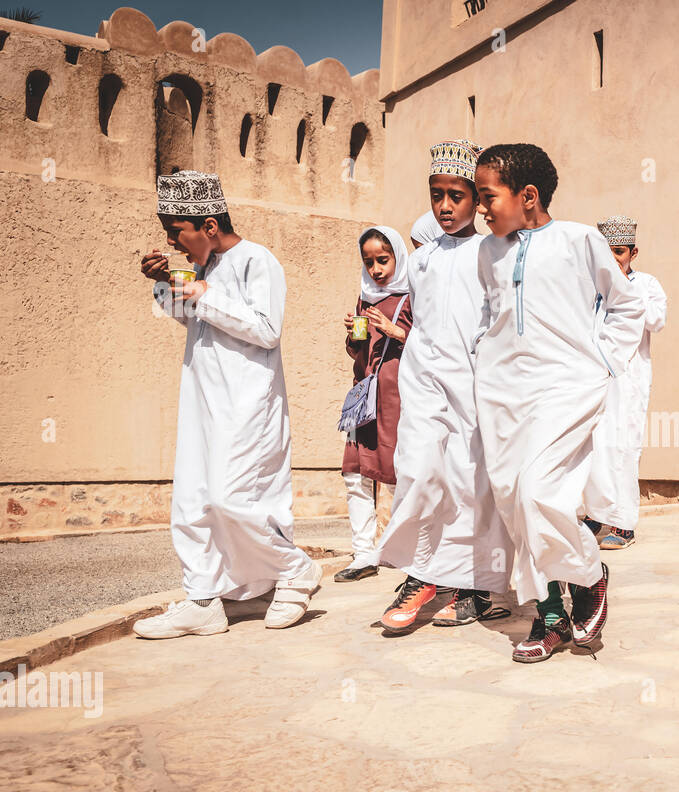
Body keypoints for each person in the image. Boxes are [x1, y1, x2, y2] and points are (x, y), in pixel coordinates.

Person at [473, 143, 644, 663]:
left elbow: (627, 303)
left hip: (566, 385)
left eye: (487, 197)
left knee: (538, 490)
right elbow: (490, 318)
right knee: (514, 504)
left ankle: (590, 578)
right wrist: (482, 362)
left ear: (528, 196)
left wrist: (604, 362)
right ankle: (550, 617)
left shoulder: (579, 241)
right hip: (503, 392)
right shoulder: (489, 252)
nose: (481, 209)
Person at [134, 170, 320, 638]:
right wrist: (164, 285)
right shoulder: (201, 271)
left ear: (210, 225)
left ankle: (295, 570)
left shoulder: (258, 260)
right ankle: (202, 600)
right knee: (193, 502)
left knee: (232, 500)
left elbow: (266, 328)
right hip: (201, 401)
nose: (173, 243)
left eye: (177, 232)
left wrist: (205, 292)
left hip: (247, 405)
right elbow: (187, 320)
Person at [376, 140, 512, 631]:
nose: (446, 206)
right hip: (423, 384)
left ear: (476, 198)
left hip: (474, 389)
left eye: (457, 196)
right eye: (437, 196)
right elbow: (385, 288)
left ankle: (476, 585)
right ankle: (423, 572)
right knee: (416, 471)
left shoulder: (492, 251)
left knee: (472, 484)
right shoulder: (423, 258)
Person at [584, 215, 668, 550]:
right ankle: (594, 515)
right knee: (593, 446)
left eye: (619, 252)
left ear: (633, 252)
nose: (613, 259)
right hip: (595, 378)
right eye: (607, 253)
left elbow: (656, 320)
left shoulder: (647, 284)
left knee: (624, 449)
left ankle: (623, 524)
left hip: (629, 381)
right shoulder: (592, 285)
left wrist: (623, 287)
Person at [335, 227, 411, 582]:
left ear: (397, 256)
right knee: (355, 471)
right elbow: (359, 352)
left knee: (395, 470)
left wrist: (397, 332)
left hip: (397, 396)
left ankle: (394, 547)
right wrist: (354, 333)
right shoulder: (365, 298)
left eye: (384, 260)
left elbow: (431, 344)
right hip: (365, 395)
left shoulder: (410, 297)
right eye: (370, 262)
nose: (377, 269)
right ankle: (362, 551)